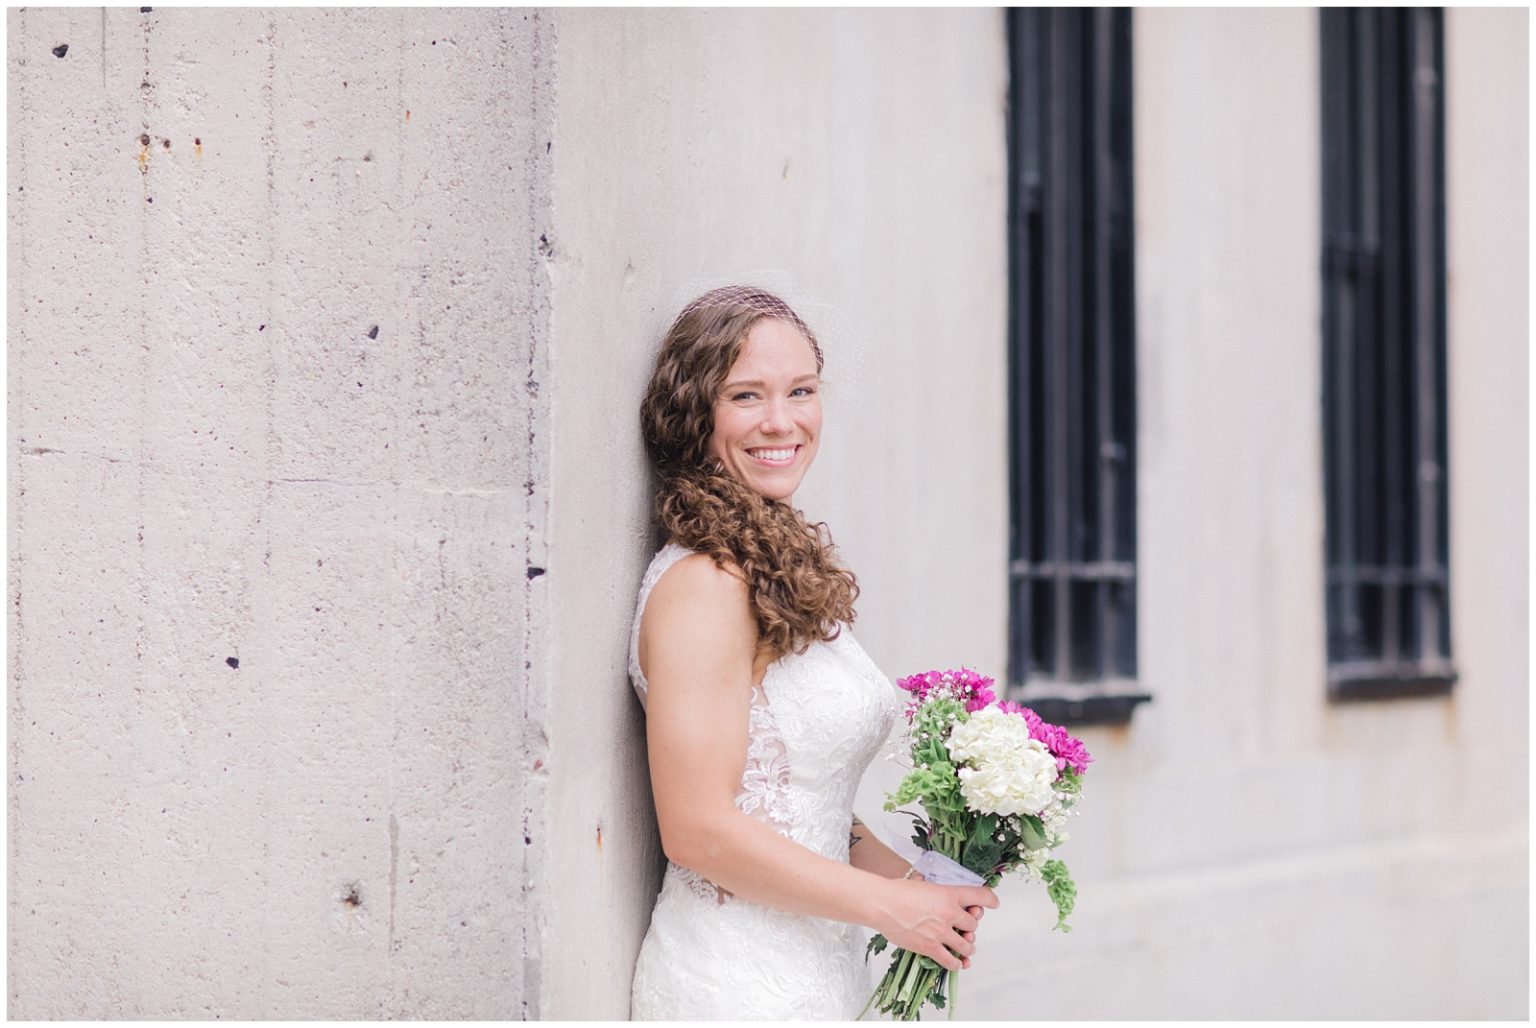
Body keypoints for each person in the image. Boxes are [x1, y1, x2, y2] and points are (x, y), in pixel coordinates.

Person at [627, 285, 999, 1019]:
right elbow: (698, 827)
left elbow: (792, 802)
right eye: (746, 396)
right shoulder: (704, 583)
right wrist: (890, 908)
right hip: (734, 980)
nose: (781, 421)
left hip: (817, 969)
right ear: (692, 415)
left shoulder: (768, 565)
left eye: (801, 390)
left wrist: (928, 881)